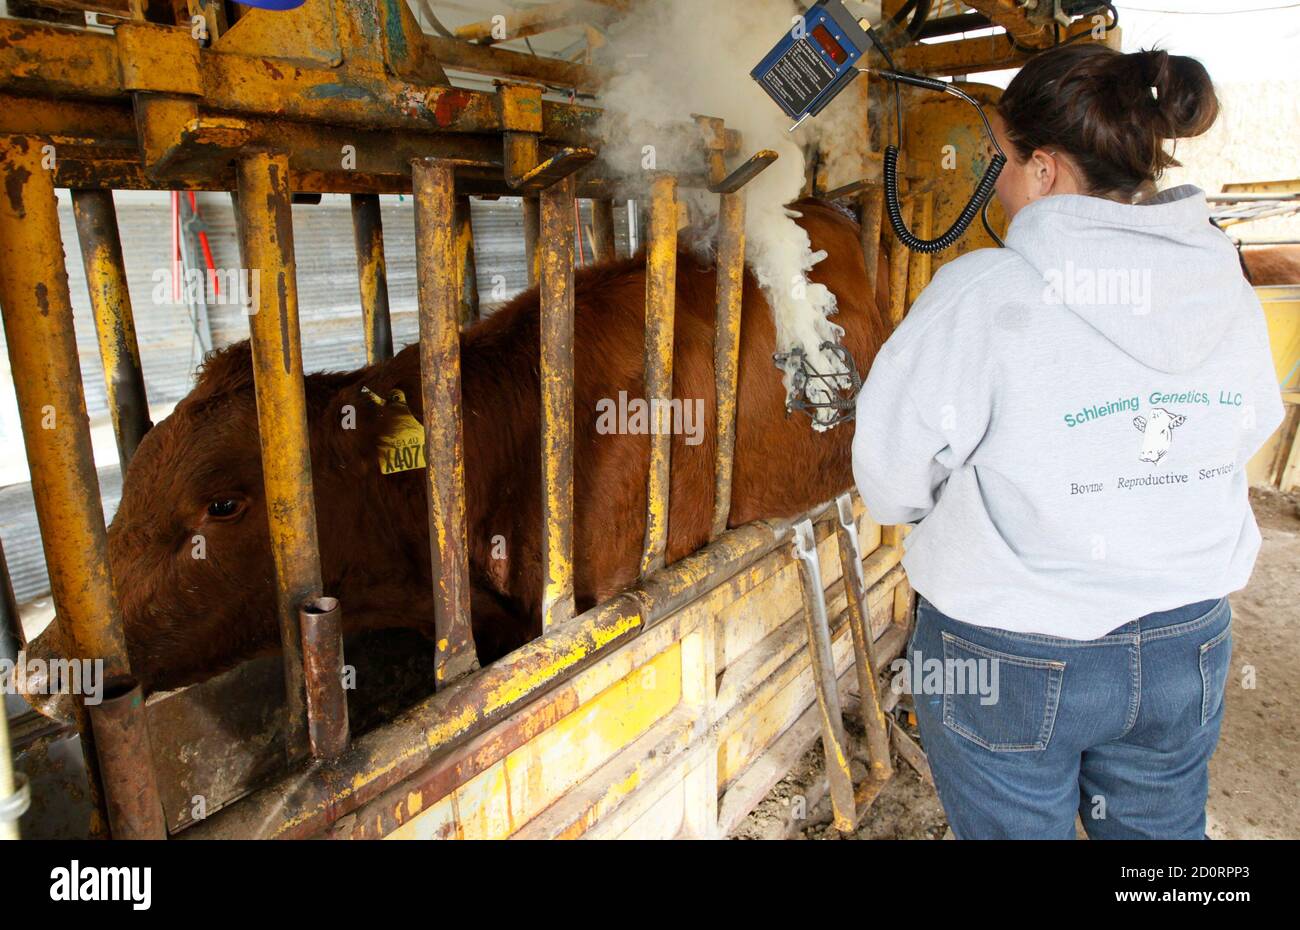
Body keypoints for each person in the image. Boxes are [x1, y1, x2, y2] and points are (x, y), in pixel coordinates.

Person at [851, 43, 1284, 839]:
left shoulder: (983, 293)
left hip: (1009, 654)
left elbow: (889, 481)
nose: (1004, 186)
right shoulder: (1222, 278)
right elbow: (1246, 424)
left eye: (1005, 164)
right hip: (1184, 638)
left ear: (1045, 170)